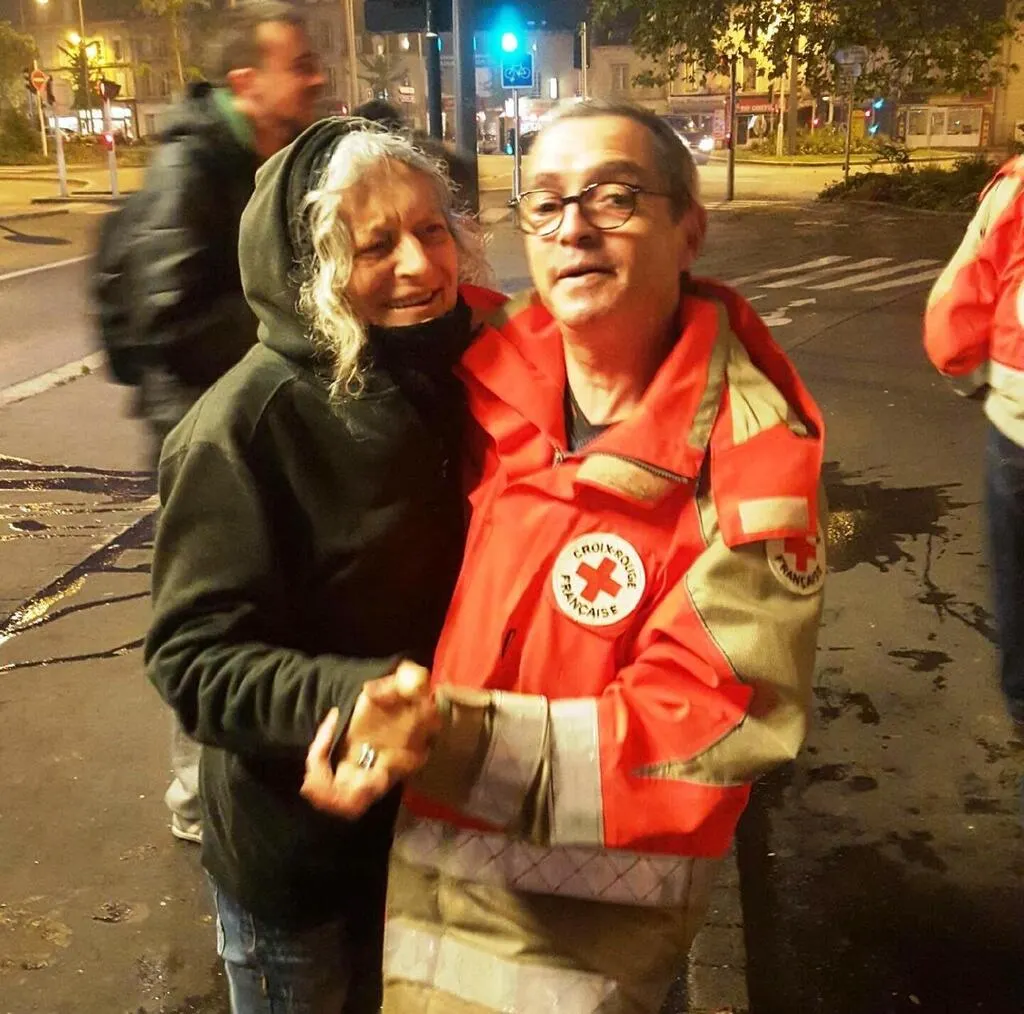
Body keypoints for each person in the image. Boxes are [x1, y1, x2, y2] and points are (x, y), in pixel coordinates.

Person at [302, 99, 827, 1014]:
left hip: (580, 949)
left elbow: (702, 733)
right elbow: (331, 282)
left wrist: (438, 737)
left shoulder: (749, 465)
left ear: (688, 229)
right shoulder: (491, 363)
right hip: (424, 894)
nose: (574, 227)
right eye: (543, 203)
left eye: (614, 197)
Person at [145, 118, 503, 1013]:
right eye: (374, 245)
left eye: (430, 230)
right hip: (300, 865)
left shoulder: (475, 371)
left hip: (439, 841)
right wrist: (350, 698)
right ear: (310, 273)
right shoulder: (246, 426)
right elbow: (192, 659)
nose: (421, 265)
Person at [129, 0, 325, 844]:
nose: (315, 77)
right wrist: (292, 323)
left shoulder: (262, 154)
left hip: (254, 420)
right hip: (203, 435)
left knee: (267, 597)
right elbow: (165, 313)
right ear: (248, 81)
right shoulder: (194, 170)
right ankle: (191, 796)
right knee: (214, 608)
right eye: (300, 65)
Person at [924, 154, 1024, 732]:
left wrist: (977, 383)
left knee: (1019, 580)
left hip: (1019, 427)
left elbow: (958, 306)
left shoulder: (1015, 190)